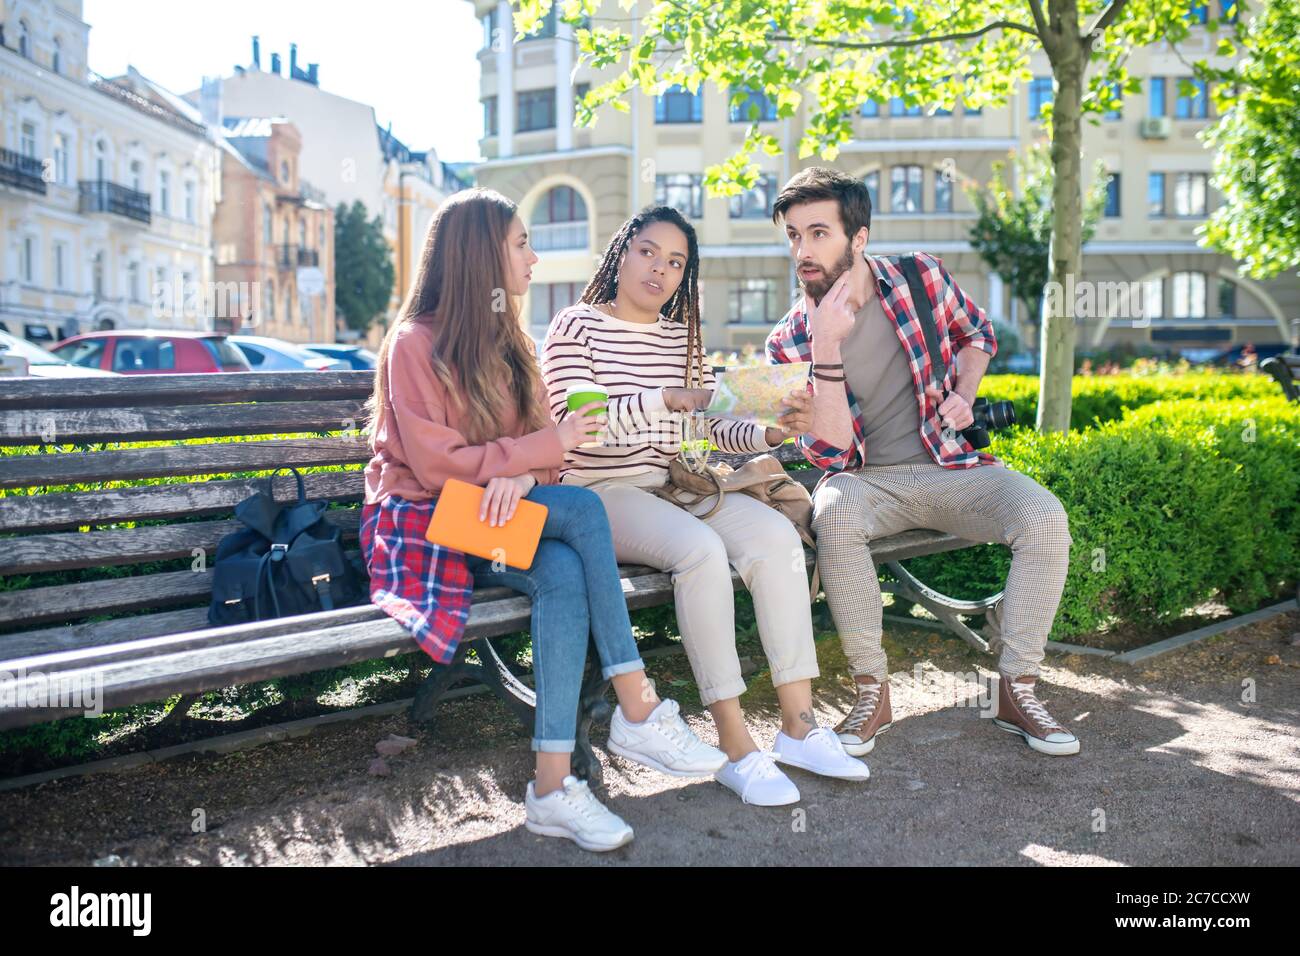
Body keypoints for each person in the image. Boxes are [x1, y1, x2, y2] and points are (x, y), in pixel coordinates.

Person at [361, 188, 727, 853]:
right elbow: (442, 468)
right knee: (586, 509)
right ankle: (636, 704)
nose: (535, 258)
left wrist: (520, 474)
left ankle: (552, 788)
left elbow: (551, 458)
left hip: (493, 516)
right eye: (522, 243)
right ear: (480, 256)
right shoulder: (415, 345)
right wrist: (526, 459)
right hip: (427, 522)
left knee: (561, 570)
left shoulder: (512, 346)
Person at [541, 205, 870, 808]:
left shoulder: (678, 336)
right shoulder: (575, 326)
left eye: (675, 262)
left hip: (675, 484)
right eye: (648, 252)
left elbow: (710, 426)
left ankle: (798, 727)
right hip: (598, 495)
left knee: (774, 538)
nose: (659, 270)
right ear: (621, 252)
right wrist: (665, 397)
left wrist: (770, 431)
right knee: (701, 553)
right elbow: (579, 430)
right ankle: (736, 746)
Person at [766, 166, 1080, 757]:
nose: (801, 251)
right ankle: (871, 691)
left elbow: (976, 333)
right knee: (832, 509)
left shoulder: (920, 276)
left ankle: (1018, 686)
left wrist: (963, 391)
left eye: (817, 233)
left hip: (952, 468)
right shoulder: (789, 340)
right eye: (792, 236)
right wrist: (826, 343)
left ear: (858, 238)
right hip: (869, 486)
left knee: (1045, 517)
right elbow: (829, 453)